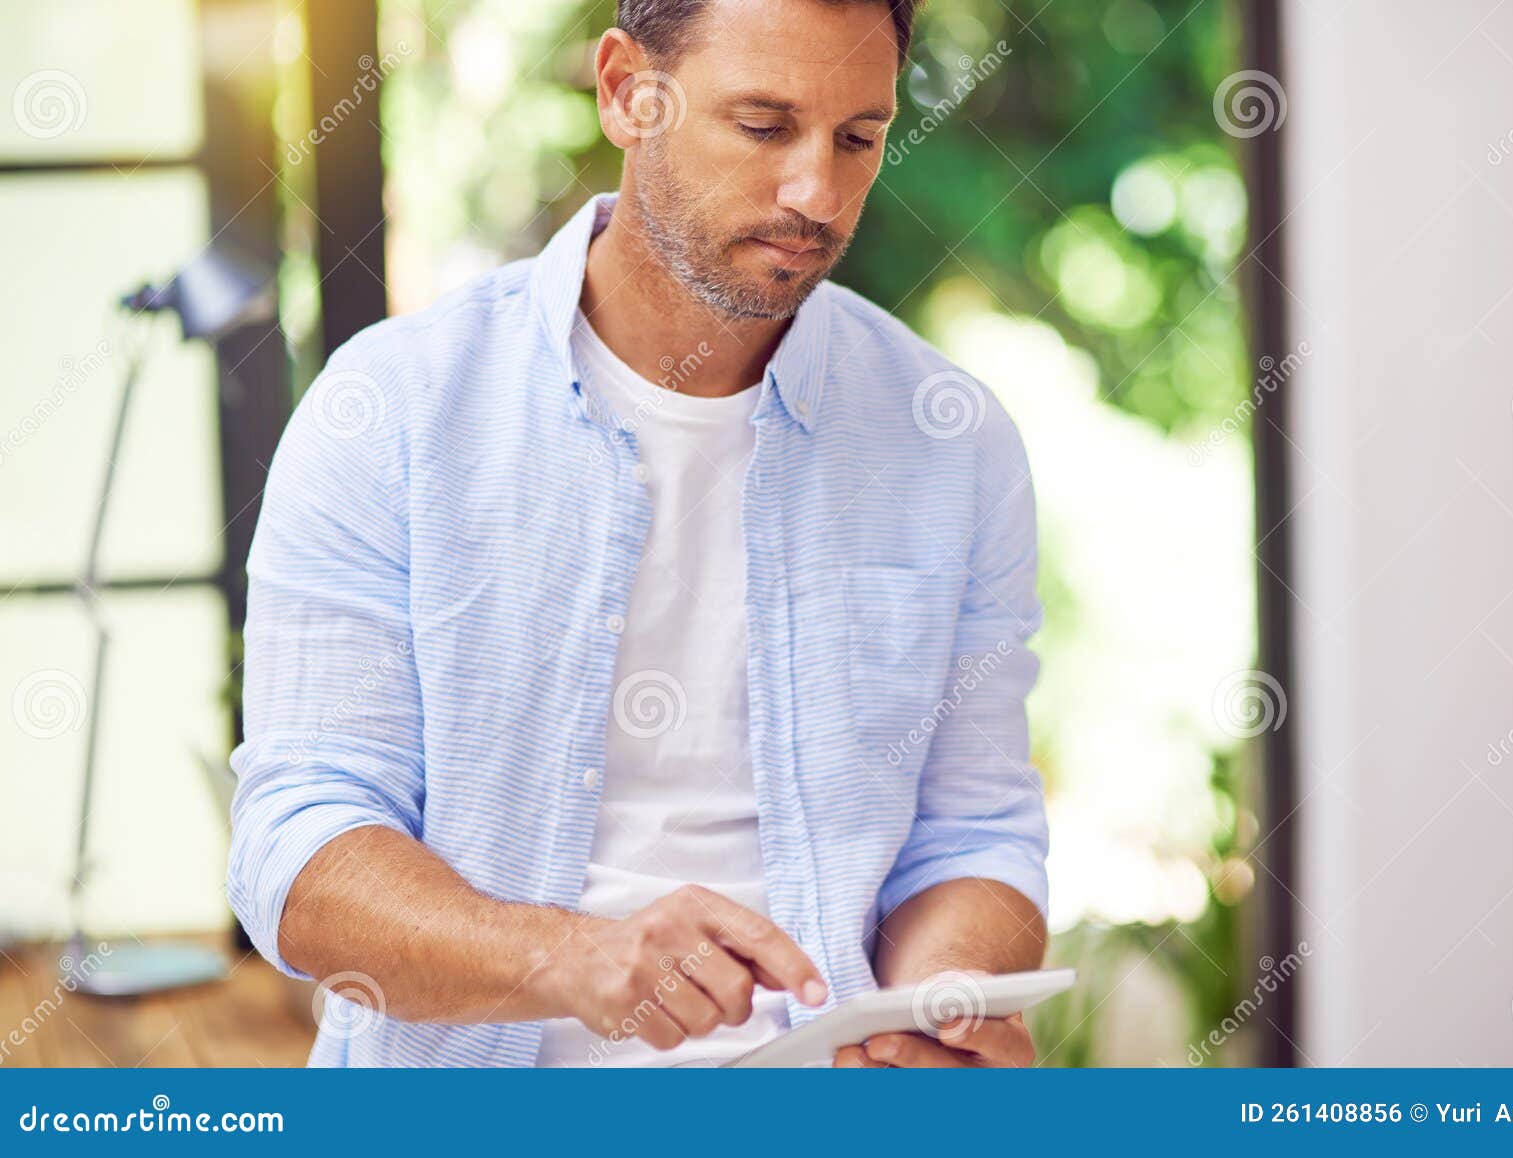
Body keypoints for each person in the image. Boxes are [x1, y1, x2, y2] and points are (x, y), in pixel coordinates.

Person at [228, 0, 1048, 1068]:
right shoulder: (390, 408)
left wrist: (951, 995)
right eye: (762, 126)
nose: (816, 193)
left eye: (858, 138)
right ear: (625, 91)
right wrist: (570, 960)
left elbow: (972, 835)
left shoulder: (950, 437)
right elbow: (296, 854)